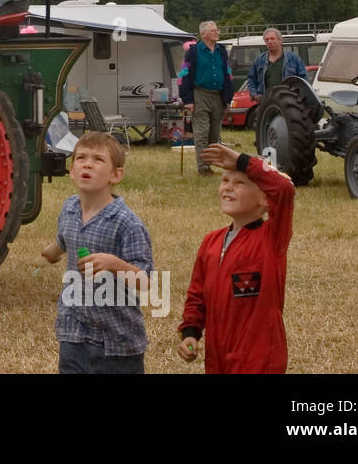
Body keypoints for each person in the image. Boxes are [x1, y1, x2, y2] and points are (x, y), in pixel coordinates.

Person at [40, 132, 154, 374]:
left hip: (116, 343)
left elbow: (145, 282)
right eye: (81, 157)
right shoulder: (69, 209)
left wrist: (114, 264)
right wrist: (52, 252)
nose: (88, 164)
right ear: (71, 171)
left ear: (116, 175)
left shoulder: (127, 224)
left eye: (98, 159)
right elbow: (64, 238)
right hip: (74, 334)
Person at [178, 143, 296, 373]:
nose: (228, 188)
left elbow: (284, 189)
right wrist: (190, 332)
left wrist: (242, 161)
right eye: (225, 181)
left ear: (264, 198)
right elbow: (197, 294)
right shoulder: (211, 242)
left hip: (259, 362)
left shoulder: (271, 239)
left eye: (239, 182)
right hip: (218, 360)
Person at [178, 21, 233, 175]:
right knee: (201, 133)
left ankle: (209, 163)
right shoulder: (193, 52)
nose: (217, 32)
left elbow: (228, 74)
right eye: (213, 30)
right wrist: (187, 100)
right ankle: (203, 168)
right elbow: (183, 75)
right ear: (204, 34)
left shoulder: (221, 51)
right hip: (200, 94)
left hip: (219, 95)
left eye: (217, 30)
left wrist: (228, 98)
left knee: (214, 135)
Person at [247, 27, 308, 104]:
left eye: (272, 38)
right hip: (266, 103)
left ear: (280, 40)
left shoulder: (294, 59)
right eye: (267, 40)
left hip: (289, 102)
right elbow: (251, 79)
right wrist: (254, 95)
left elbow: (303, 80)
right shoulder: (259, 60)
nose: (269, 41)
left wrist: (298, 96)